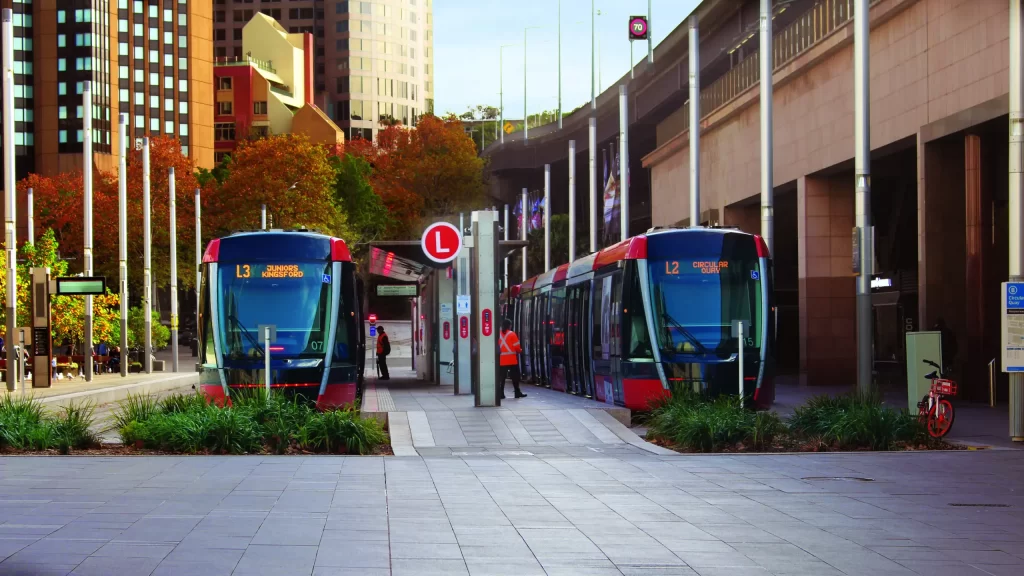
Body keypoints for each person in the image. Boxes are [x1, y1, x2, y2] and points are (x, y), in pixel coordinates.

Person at [499, 319, 527, 399]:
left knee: (502, 377)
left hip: (502, 360)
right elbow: (517, 347)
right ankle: (517, 392)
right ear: (509, 326)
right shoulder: (512, 334)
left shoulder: (499, 335)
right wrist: (520, 351)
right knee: (515, 377)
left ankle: (501, 393)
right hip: (511, 360)